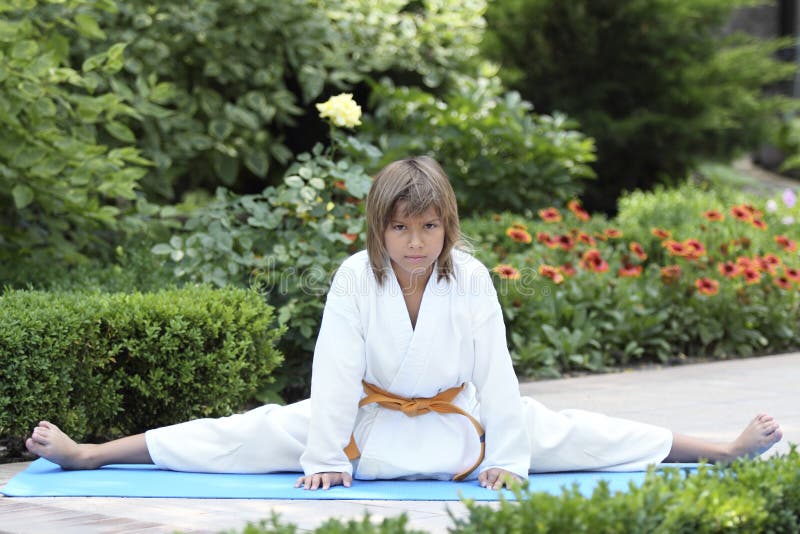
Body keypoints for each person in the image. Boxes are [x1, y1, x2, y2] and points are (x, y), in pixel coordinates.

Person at [26, 156, 783, 491]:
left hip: (466, 426)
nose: (415, 242)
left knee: (581, 433)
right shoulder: (355, 278)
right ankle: (91, 455)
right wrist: (326, 453)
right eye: (400, 228)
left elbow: (496, 372)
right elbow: (333, 372)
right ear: (378, 230)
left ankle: (722, 448)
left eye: (428, 226)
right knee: (243, 433)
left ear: (446, 226)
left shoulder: (471, 277)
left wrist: (509, 456)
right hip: (364, 426)